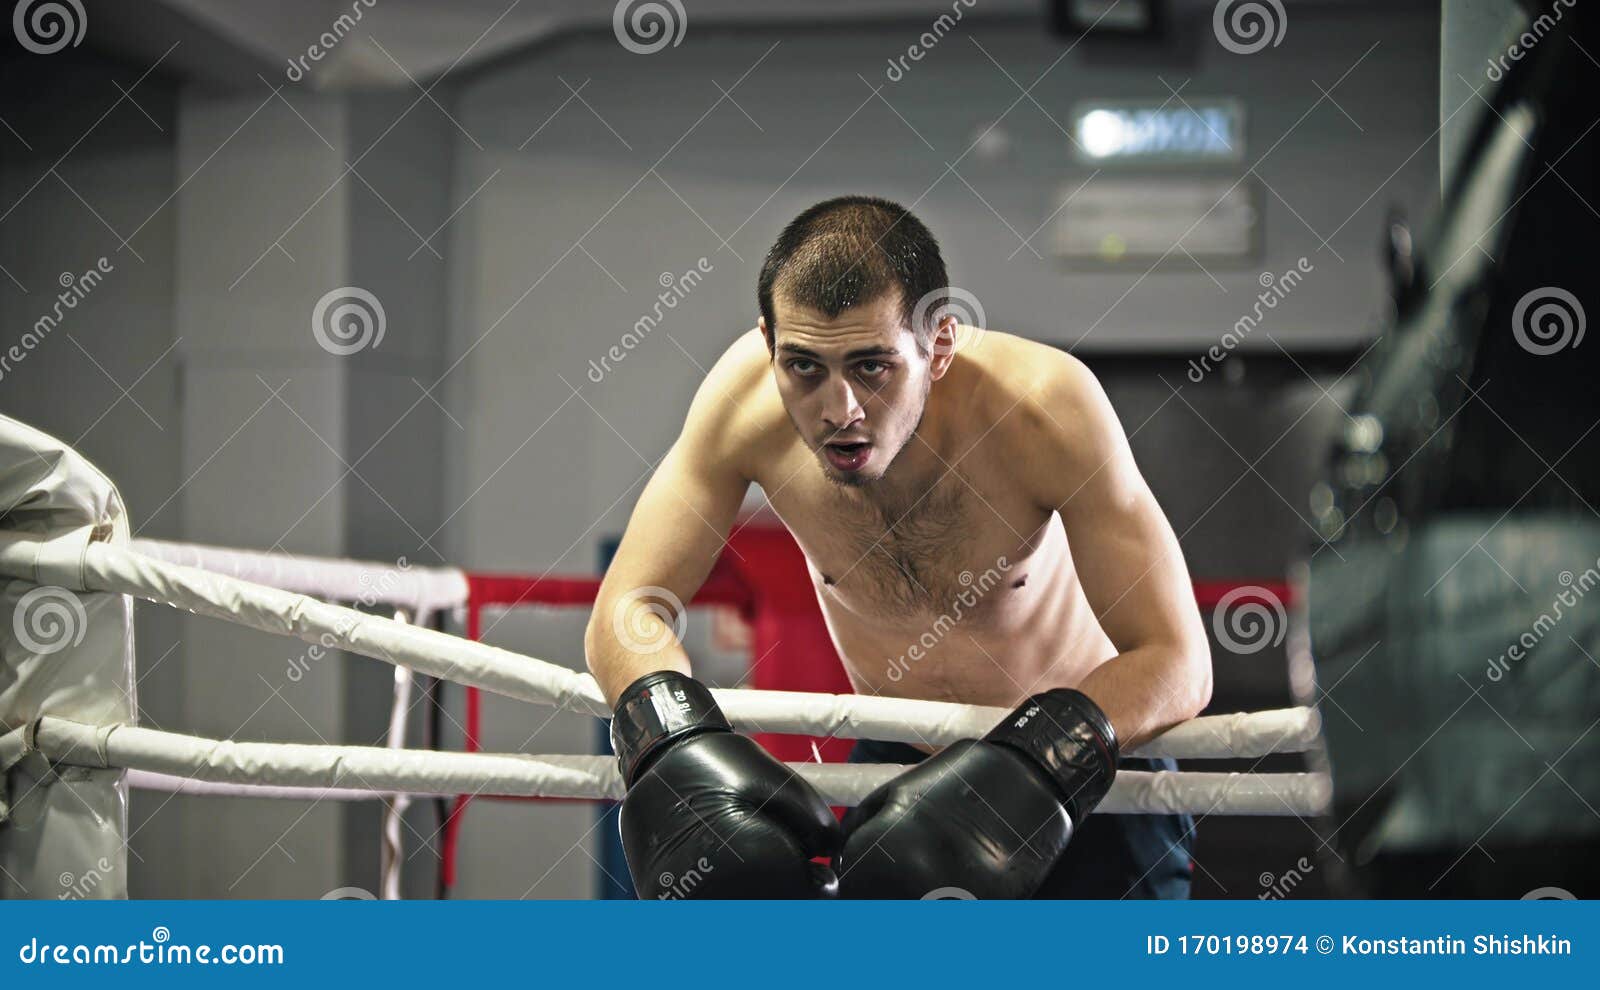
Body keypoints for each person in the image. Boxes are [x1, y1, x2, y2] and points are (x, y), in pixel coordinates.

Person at [585, 196, 1211, 899]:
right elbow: (631, 605)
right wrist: (671, 740)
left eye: (872, 367)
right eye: (804, 367)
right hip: (901, 766)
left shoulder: (1044, 409)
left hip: (1087, 779)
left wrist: (1036, 763)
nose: (838, 410)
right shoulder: (742, 407)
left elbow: (1178, 662)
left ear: (938, 344)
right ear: (769, 345)